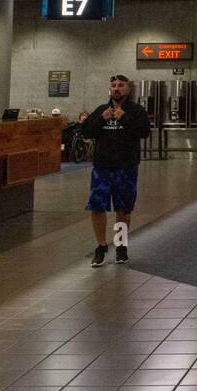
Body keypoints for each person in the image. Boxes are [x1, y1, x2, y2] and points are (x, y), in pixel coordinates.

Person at [81, 75, 151, 267]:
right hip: (102, 167)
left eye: (121, 85)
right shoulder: (100, 111)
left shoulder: (136, 111)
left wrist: (125, 119)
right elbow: (86, 132)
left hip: (126, 167)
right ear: (109, 89)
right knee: (97, 206)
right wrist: (100, 121)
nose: (117, 89)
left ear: (128, 89)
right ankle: (101, 245)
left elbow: (144, 132)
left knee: (123, 208)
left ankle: (120, 246)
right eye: (113, 86)